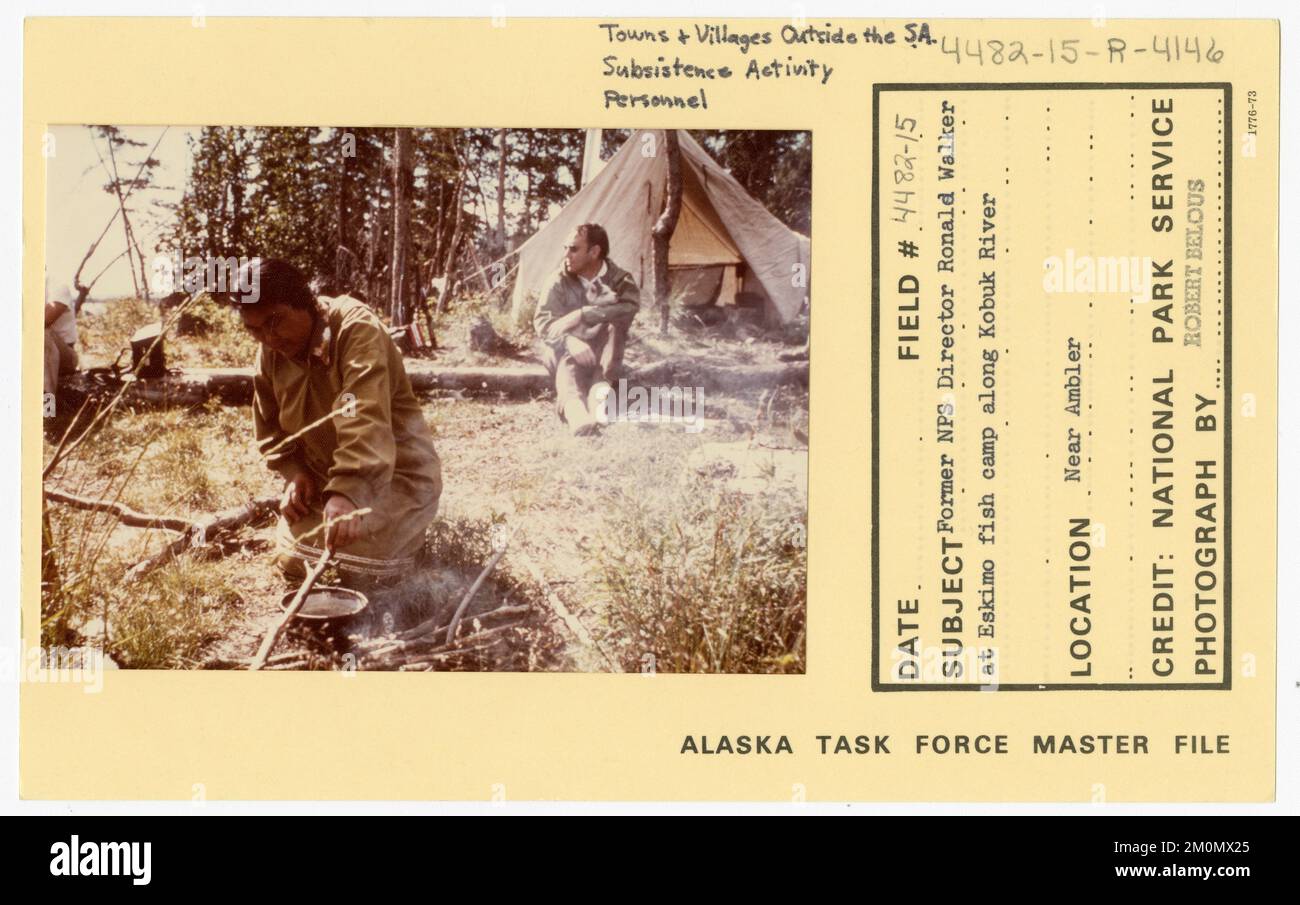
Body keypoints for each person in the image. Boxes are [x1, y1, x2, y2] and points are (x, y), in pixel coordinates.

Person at [232, 258, 441, 586]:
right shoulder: (272, 348)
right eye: (254, 329)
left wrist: (349, 491)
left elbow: (364, 413)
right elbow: (270, 426)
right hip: (325, 481)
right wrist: (294, 474)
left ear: (306, 303)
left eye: (275, 321)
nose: (269, 338)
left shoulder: (355, 328)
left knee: (356, 568)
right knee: (296, 559)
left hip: (394, 476)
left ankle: (410, 537)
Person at [533, 223, 640, 435]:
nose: (566, 255)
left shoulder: (619, 279)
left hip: (602, 351)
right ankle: (575, 412)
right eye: (566, 248)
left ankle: (598, 397)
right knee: (566, 359)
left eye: (573, 249)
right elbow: (544, 322)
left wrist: (584, 314)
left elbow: (629, 308)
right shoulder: (558, 280)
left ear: (594, 252)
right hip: (563, 349)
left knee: (614, 329)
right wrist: (570, 342)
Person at [43, 283, 79, 401]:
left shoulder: (57, 285)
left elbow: (45, 319)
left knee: (40, 332)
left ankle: (48, 408)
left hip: (65, 357)